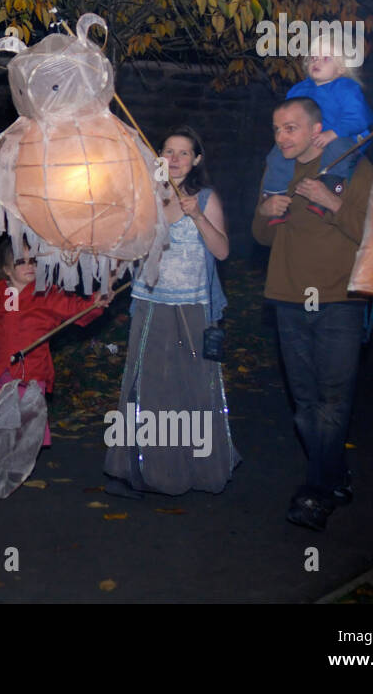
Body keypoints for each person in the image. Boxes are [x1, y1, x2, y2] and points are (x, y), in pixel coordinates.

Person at [253, 97, 373, 531]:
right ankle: (336, 474)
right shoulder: (278, 173)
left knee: (333, 400)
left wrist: (332, 201)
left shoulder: (353, 167)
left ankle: (316, 493)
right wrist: (265, 213)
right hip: (288, 297)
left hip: (340, 300)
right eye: (277, 129)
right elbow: (261, 238)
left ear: (316, 129)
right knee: (305, 404)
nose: (282, 137)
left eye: (291, 128)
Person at [104, 126, 240, 498]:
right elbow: (131, 249)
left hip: (193, 306)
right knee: (145, 384)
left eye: (183, 153)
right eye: (168, 151)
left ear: (196, 160)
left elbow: (223, 251)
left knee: (191, 385)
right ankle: (139, 470)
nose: (175, 159)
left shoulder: (206, 198)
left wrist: (197, 216)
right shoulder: (148, 197)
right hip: (150, 303)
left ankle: (194, 468)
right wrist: (109, 281)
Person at [0, 238, 112, 448]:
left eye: (34, 262)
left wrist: (95, 303)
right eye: (22, 262)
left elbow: (74, 309)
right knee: (6, 414)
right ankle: (8, 447)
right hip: (2, 367)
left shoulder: (45, 294)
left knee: (30, 414)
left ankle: (27, 447)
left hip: (33, 369)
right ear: (7, 269)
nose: (30, 266)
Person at [261, 34, 373, 222]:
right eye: (313, 57)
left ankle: (328, 186)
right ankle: (276, 193)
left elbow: (359, 118)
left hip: (343, 137)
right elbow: (289, 116)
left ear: (341, 68)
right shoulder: (299, 90)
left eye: (326, 58)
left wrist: (335, 132)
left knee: (338, 148)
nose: (317, 61)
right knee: (277, 154)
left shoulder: (347, 89)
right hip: (308, 142)